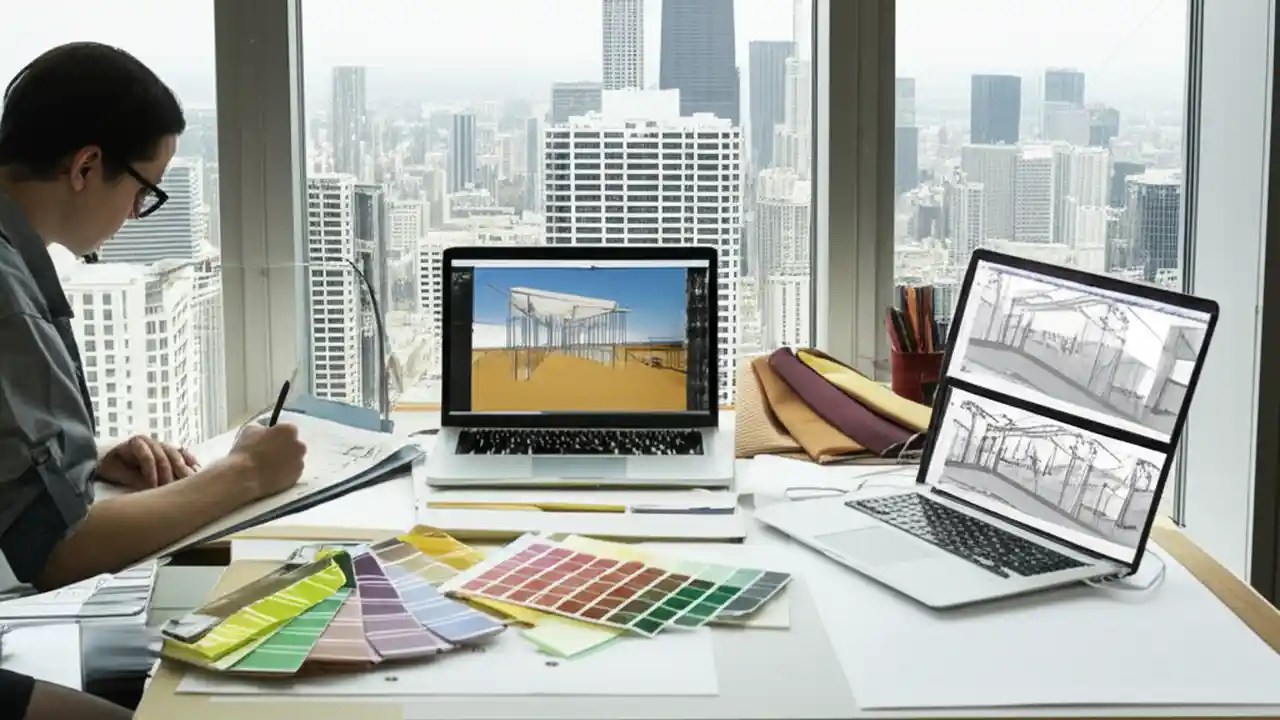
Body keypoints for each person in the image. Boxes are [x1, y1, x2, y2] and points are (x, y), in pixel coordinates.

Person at [0, 43, 307, 719]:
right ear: (86, 166)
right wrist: (247, 472)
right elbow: (57, 553)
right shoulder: (7, 294)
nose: (136, 211)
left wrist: (68, 464)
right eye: (143, 191)